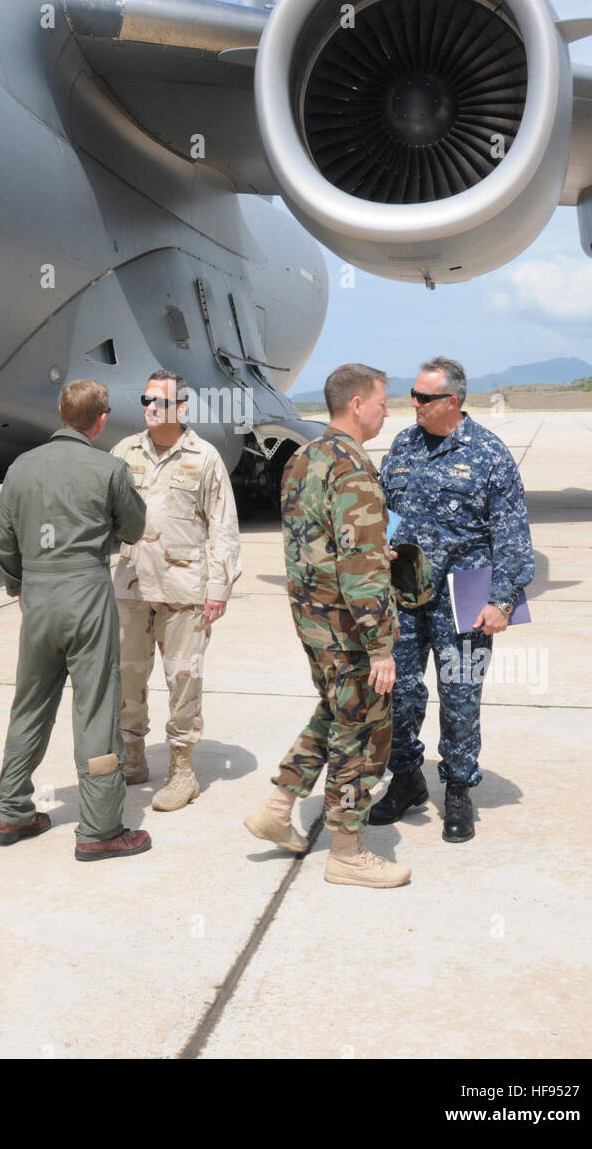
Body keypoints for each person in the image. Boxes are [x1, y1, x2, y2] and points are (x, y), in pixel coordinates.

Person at [244, 364, 411, 888]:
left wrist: (368, 552)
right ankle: (346, 850)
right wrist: (380, 644)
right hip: (350, 628)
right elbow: (358, 565)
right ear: (357, 404)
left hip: (315, 621)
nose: (387, 411)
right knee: (363, 735)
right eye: (382, 402)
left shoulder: (303, 458)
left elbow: (318, 545)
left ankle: (279, 805)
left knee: (337, 713)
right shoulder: (352, 467)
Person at [371, 356, 534, 842]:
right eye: (413, 395)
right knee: (397, 691)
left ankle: (459, 789)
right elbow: (385, 509)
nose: (413, 404)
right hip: (405, 590)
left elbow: (513, 535)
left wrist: (503, 600)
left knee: (460, 696)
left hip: (465, 592)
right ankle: (405, 780)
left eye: (423, 397)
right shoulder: (403, 445)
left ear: (453, 401)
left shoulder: (488, 453)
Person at [0, 379, 151, 860]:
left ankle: (12, 809)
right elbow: (134, 527)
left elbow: (3, 542)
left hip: (38, 597)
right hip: (86, 594)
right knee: (97, 708)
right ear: (100, 419)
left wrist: (22, 586)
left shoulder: (21, 467)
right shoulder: (108, 468)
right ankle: (100, 828)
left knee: (30, 704)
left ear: (61, 414)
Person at [110, 371, 241, 811]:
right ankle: (131, 756)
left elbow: (223, 527)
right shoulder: (123, 452)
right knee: (127, 672)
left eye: (160, 401)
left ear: (182, 407)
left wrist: (219, 587)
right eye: (145, 399)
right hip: (130, 586)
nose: (150, 407)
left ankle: (182, 769)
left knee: (183, 677)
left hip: (185, 589)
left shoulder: (204, 457)